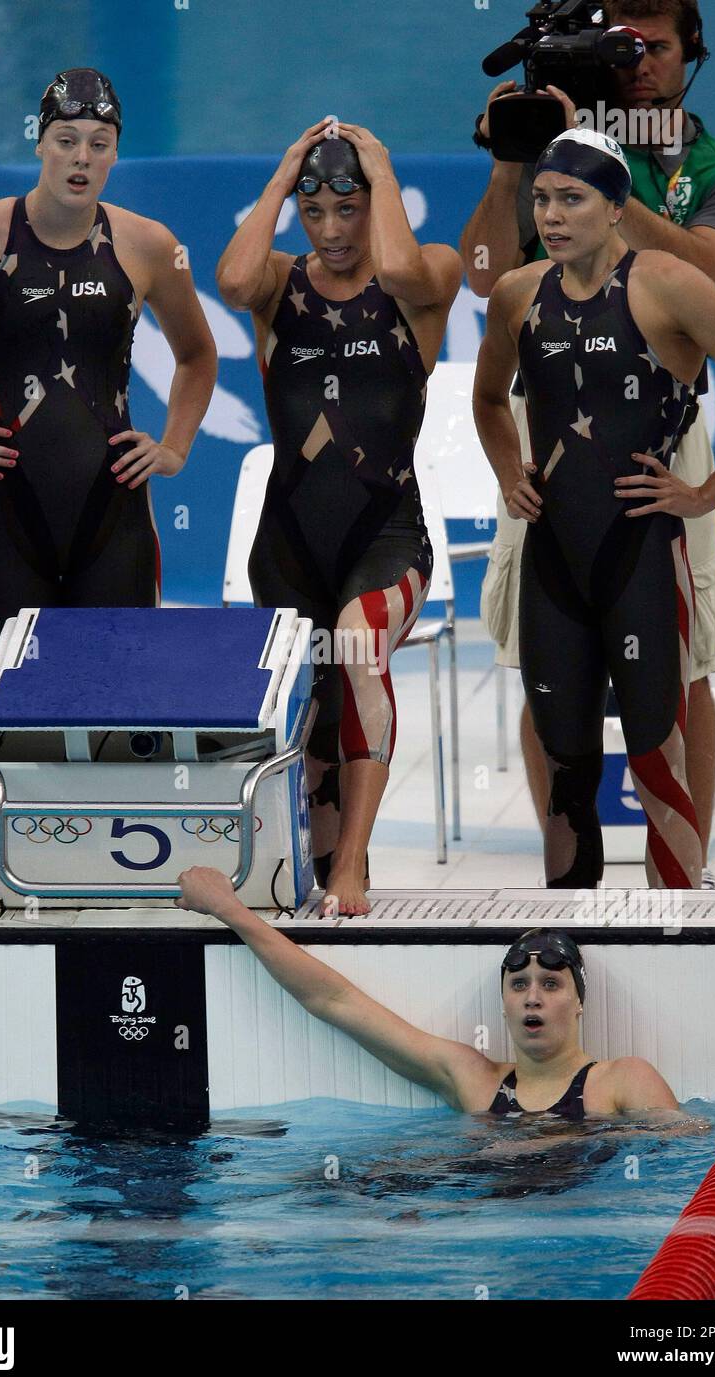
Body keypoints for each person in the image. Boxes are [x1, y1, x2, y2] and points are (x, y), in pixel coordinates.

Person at [460, 0, 715, 885]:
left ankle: (688, 867)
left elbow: (703, 270)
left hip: (659, 441)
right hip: (542, 431)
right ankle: (564, 870)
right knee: (536, 657)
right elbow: (483, 274)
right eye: (617, 48)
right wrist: (513, 168)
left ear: (690, 57)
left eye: (654, 48)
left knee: (685, 665)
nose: (635, 66)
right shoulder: (547, 166)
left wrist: (597, 178)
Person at [0, 68, 217, 682]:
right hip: (5, 523)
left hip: (116, 520)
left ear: (115, 152)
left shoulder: (148, 246)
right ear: (39, 141)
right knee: (19, 730)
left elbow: (197, 354)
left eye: (99, 143)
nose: (81, 158)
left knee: (117, 730)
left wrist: (174, 449)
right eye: (65, 139)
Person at [216, 121, 462, 917]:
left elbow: (397, 262)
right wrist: (283, 169)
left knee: (359, 648)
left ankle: (355, 862)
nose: (330, 231)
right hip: (285, 542)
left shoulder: (424, 279)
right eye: (313, 211)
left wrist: (381, 165)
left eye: (348, 209)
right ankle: (321, 870)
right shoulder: (277, 285)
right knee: (311, 717)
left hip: (387, 535)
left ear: (375, 205)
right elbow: (228, 281)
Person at [177, 865, 683, 1117]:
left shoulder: (621, 1082)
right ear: (503, 1002)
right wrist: (228, 909)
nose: (533, 997)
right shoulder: (475, 1082)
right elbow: (335, 1001)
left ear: (579, 1003)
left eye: (551, 984)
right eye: (519, 984)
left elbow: (690, 1169)